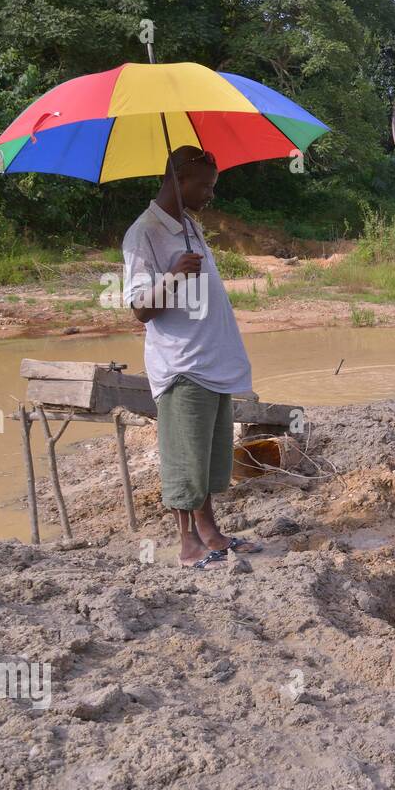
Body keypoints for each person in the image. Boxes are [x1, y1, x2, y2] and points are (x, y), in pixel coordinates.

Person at [122, 146, 262, 570]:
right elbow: (139, 309)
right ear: (178, 181)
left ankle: (211, 532)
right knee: (185, 461)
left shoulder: (189, 227)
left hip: (210, 360)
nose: (211, 195)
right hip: (182, 365)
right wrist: (173, 275)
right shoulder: (143, 232)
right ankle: (188, 547)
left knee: (208, 458)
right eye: (205, 185)